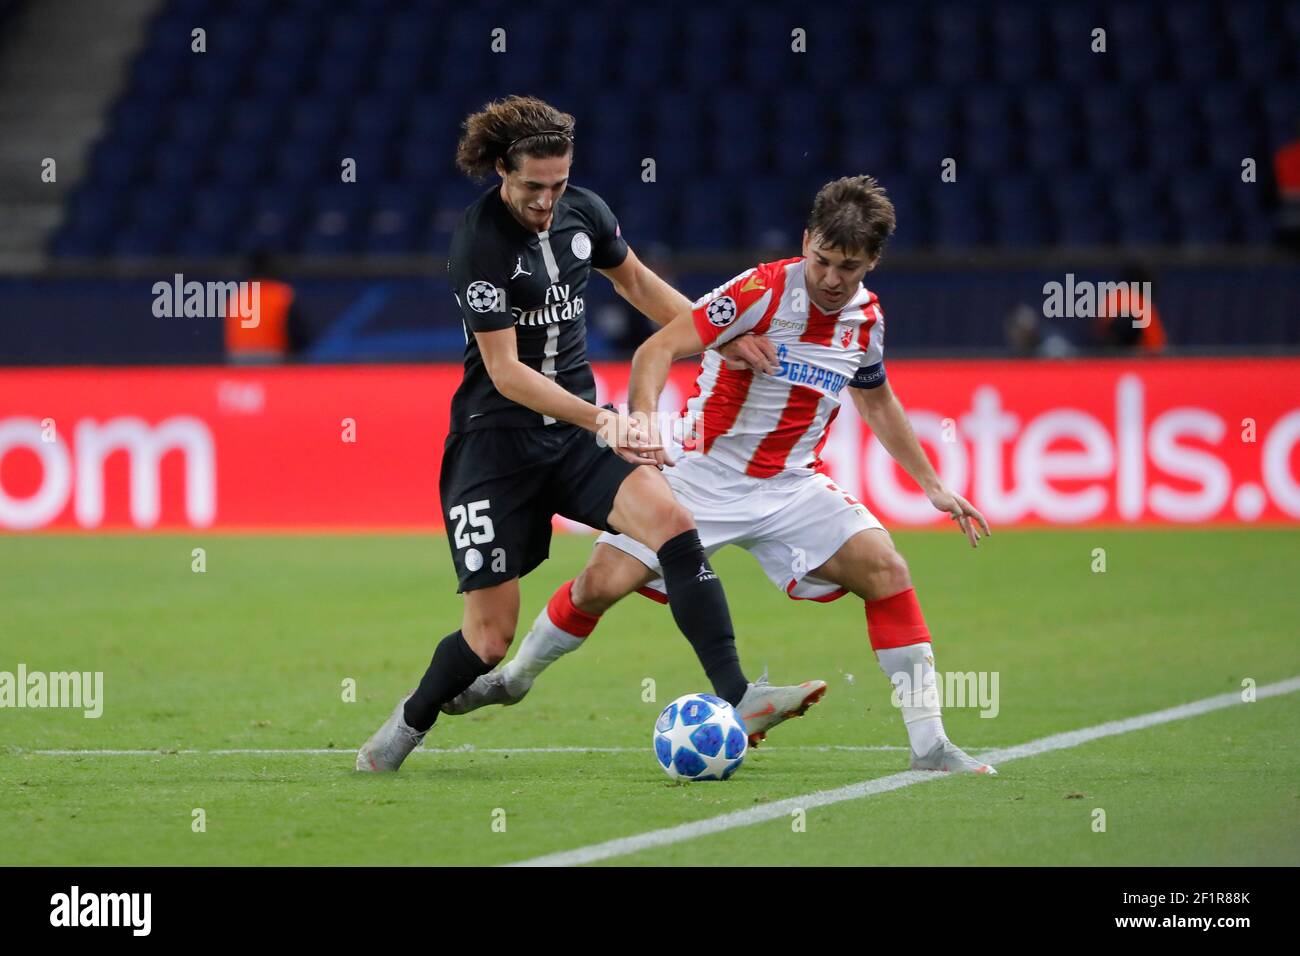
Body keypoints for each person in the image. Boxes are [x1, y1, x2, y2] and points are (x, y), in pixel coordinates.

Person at [448, 176, 997, 773]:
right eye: (824, 260)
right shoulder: (759, 291)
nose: (834, 279)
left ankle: (931, 746)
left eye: (852, 267)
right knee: (598, 587)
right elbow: (654, 351)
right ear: (807, 240)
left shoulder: (866, 319)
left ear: (873, 261)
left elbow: (876, 399)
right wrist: (645, 423)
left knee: (887, 568)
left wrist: (933, 485)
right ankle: (516, 678)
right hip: (700, 472)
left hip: (792, 485)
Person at [357, 97, 822, 772]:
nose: (547, 201)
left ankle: (741, 695)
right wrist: (605, 418)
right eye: (531, 187)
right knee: (489, 640)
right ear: (500, 172)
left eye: (558, 184)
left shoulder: (586, 212)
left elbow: (635, 281)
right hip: (495, 447)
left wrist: (720, 332)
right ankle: (409, 722)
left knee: (671, 520)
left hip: (573, 436)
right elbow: (506, 373)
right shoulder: (479, 243)